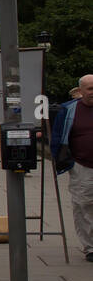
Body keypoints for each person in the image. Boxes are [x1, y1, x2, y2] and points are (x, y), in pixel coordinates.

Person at [52, 74, 93, 262]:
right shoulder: (68, 110)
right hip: (81, 165)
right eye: (90, 89)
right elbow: (58, 137)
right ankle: (90, 246)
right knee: (84, 205)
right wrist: (60, 160)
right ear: (81, 91)